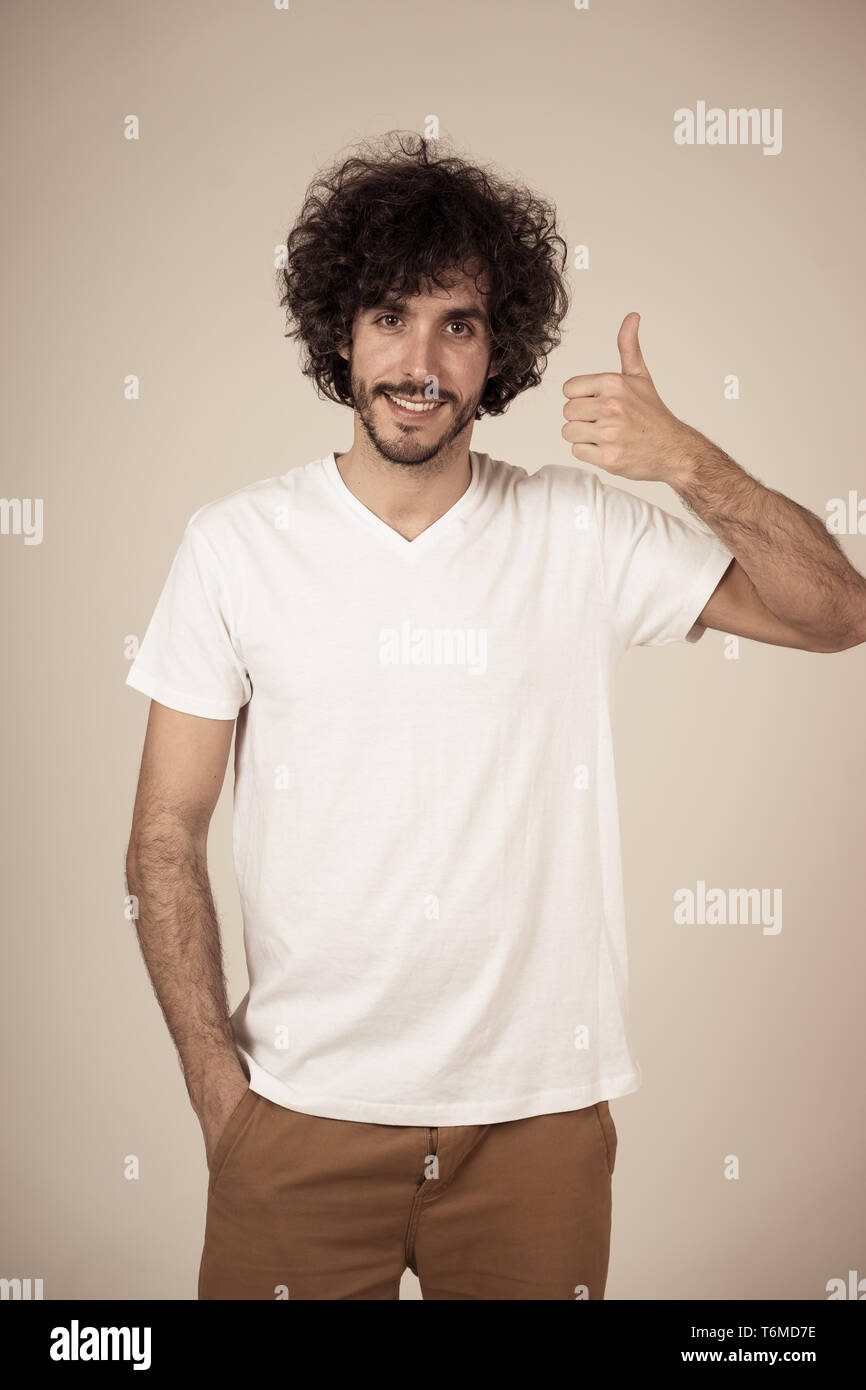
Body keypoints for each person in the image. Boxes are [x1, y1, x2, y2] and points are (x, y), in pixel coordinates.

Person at [123, 132, 866, 1301]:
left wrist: (688, 463)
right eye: (387, 317)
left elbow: (836, 614)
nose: (417, 362)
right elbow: (165, 832)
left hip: (538, 1132)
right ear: (339, 333)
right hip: (300, 1120)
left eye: (456, 323)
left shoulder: (578, 530)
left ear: (496, 350)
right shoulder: (234, 548)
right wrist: (224, 1099)